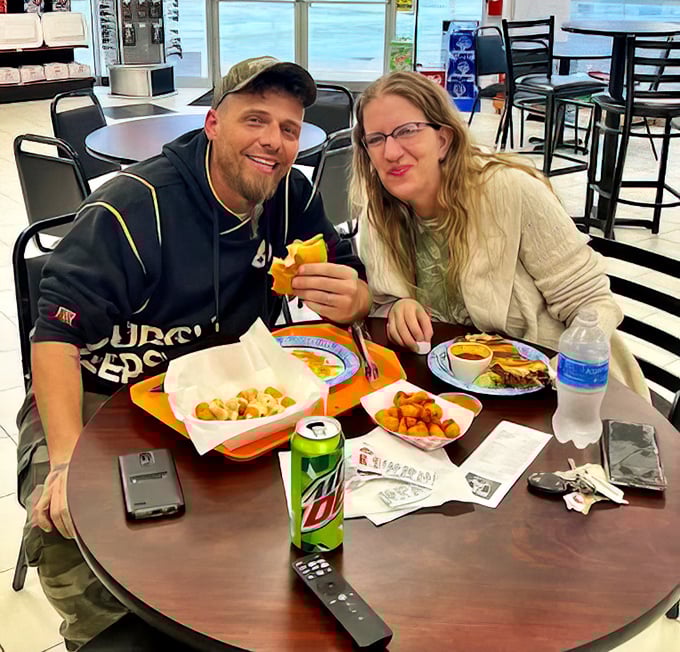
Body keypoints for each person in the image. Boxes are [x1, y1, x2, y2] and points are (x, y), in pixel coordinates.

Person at [16, 56, 369, 650]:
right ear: (212, 124)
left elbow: (345, 276)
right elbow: (54, 335)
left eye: (289, 128)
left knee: (286, 536)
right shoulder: (133, 208)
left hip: (226, 396)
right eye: (254, 120)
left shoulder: (290, 197)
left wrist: (354, 297)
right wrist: (66, 458)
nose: (274, 142)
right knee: (71, 526)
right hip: (101, 399)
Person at [349, 70, 649, 400]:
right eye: (376, 139)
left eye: (407, 131)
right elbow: (383, 304)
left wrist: (564, 376)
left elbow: (592, 305)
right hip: (457, 393)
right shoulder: (378, 214)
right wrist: (397, 308)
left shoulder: (510, 190)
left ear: (443, 139)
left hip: (560, 391)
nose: (390, 152)